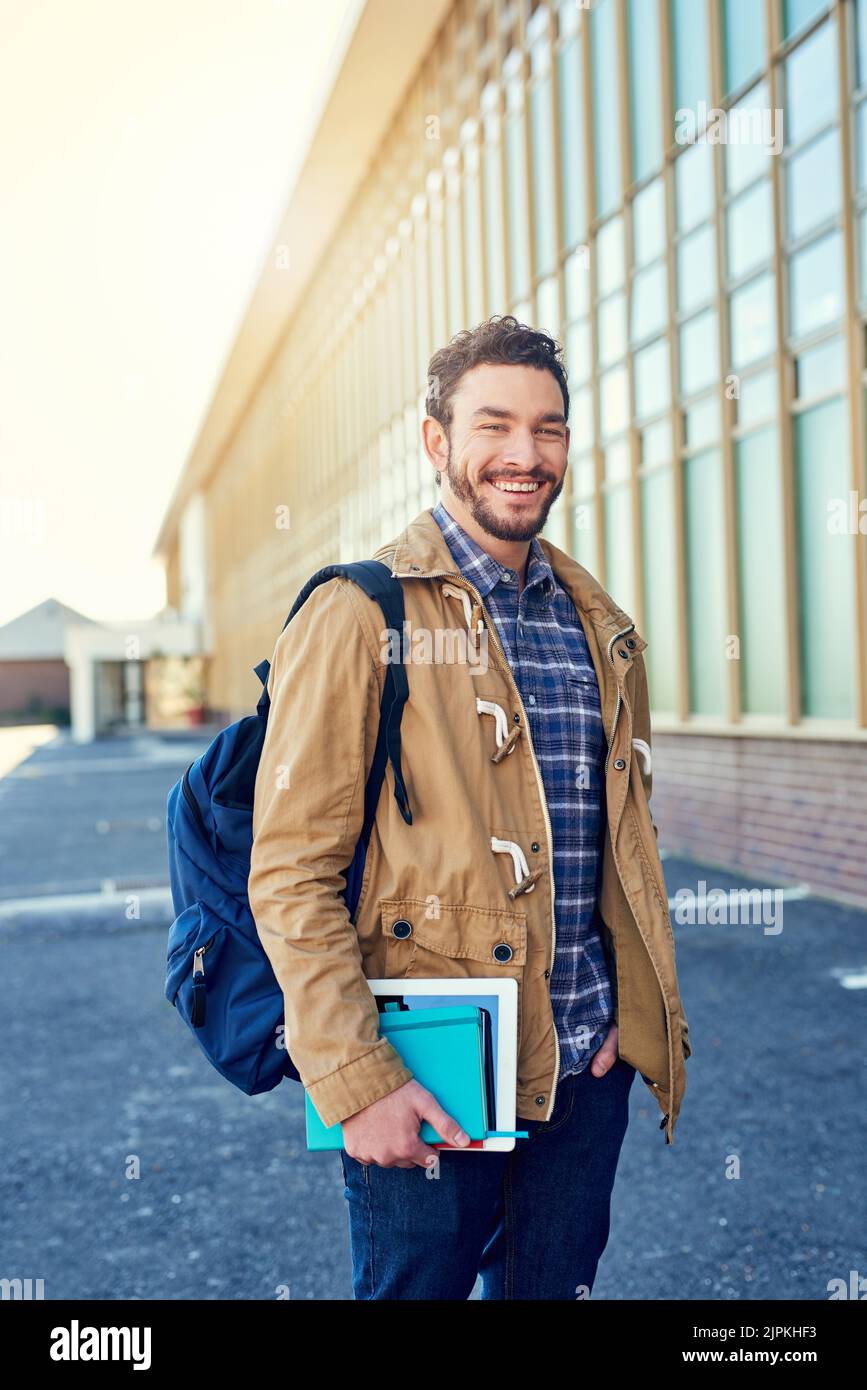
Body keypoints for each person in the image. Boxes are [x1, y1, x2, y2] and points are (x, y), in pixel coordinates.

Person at [248, 314, 690, 1300]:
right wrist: (356, 1079)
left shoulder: (598, 624)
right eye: (494, 425)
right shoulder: (362, 613)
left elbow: (622, 836)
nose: (525, 455)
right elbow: (288, 870)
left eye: (550, 428)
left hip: (583, 1070)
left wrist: (624, 1022)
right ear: (437, 441)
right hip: (429, 1073)